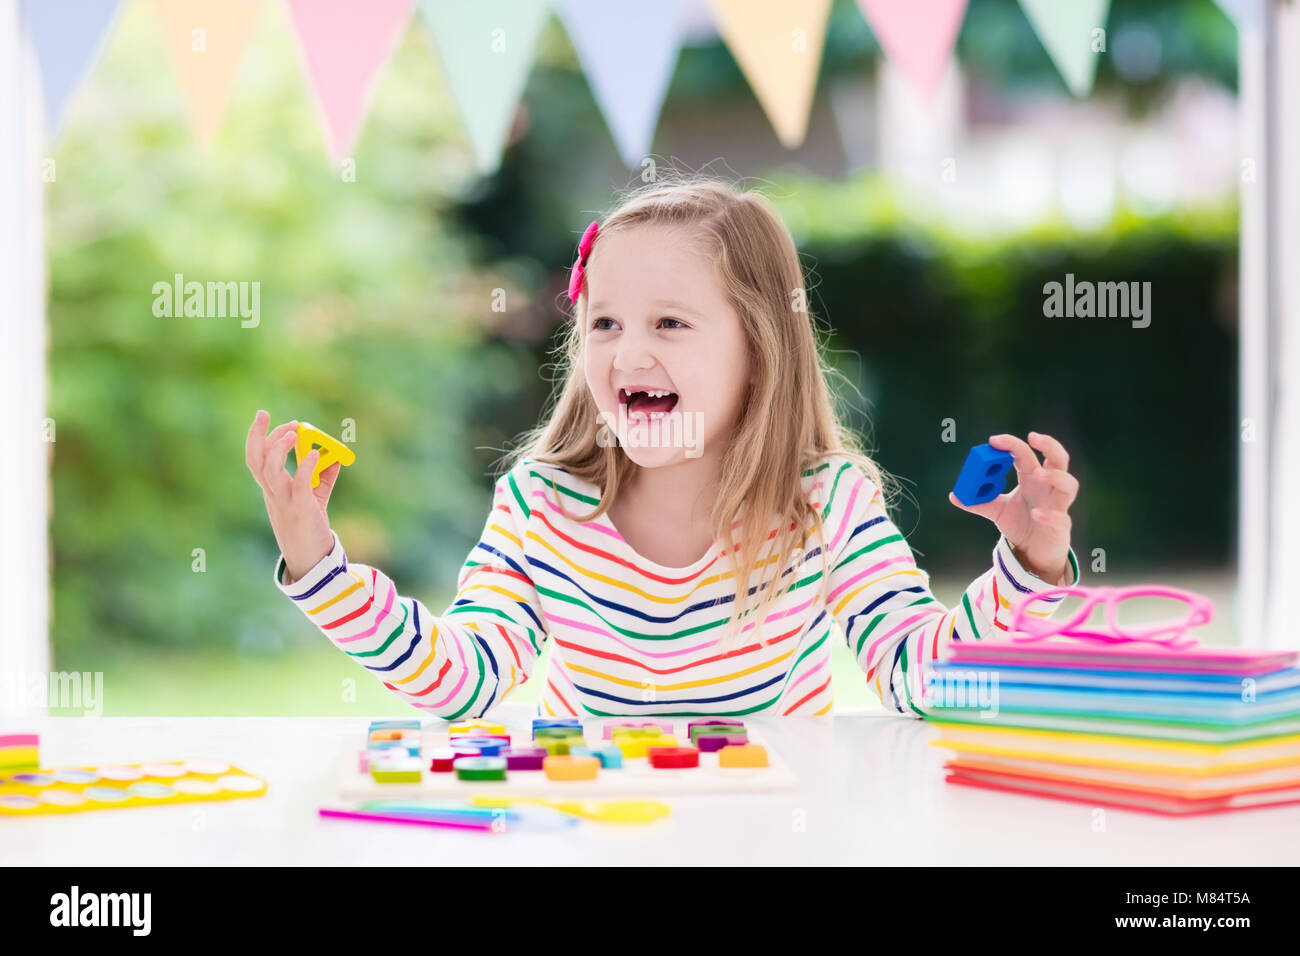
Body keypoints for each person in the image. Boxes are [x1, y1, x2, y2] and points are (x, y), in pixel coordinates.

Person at [245, 174, 1081, 720]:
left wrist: (1026, 570)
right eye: (604, 323)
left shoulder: (826, 504)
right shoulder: (543, 505)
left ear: (760, 348)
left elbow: (920, 680)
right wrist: (322, 570)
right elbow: (463, 680)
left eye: (670, 323)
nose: (627, 353)